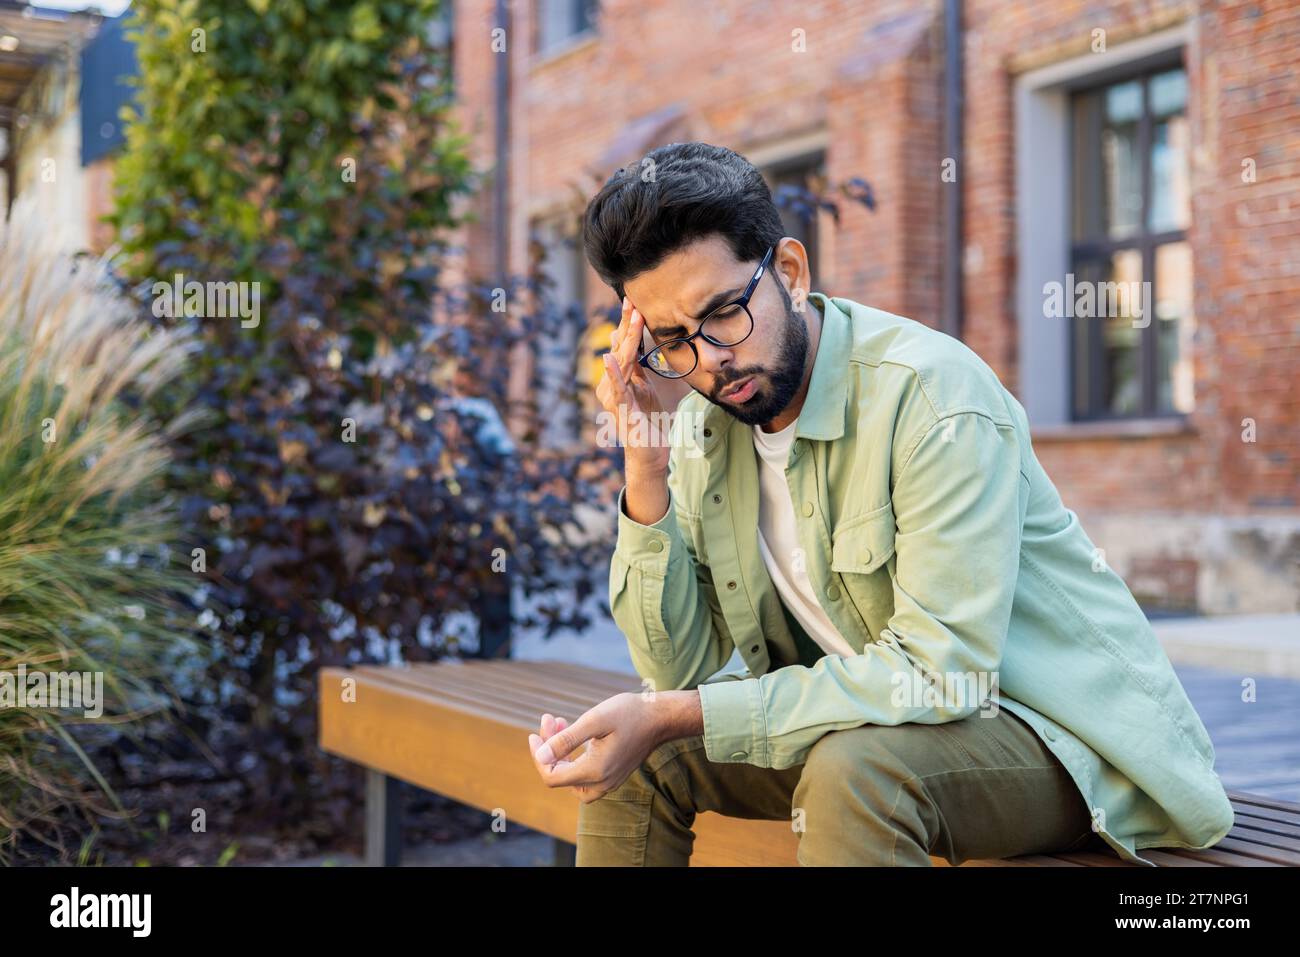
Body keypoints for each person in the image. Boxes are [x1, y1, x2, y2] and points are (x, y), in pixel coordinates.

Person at [526, 141, 1233, 866]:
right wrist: (644, 468)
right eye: (672, 340)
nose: (709, 359)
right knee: (634, 756)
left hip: (1060, 741)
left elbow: (938, 670)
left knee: (857, 774)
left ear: (791, 273)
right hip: (869, 729)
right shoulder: (705, 435)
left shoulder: (932, 397)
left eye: (725, 313)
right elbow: (683, 677)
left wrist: (674, 711)